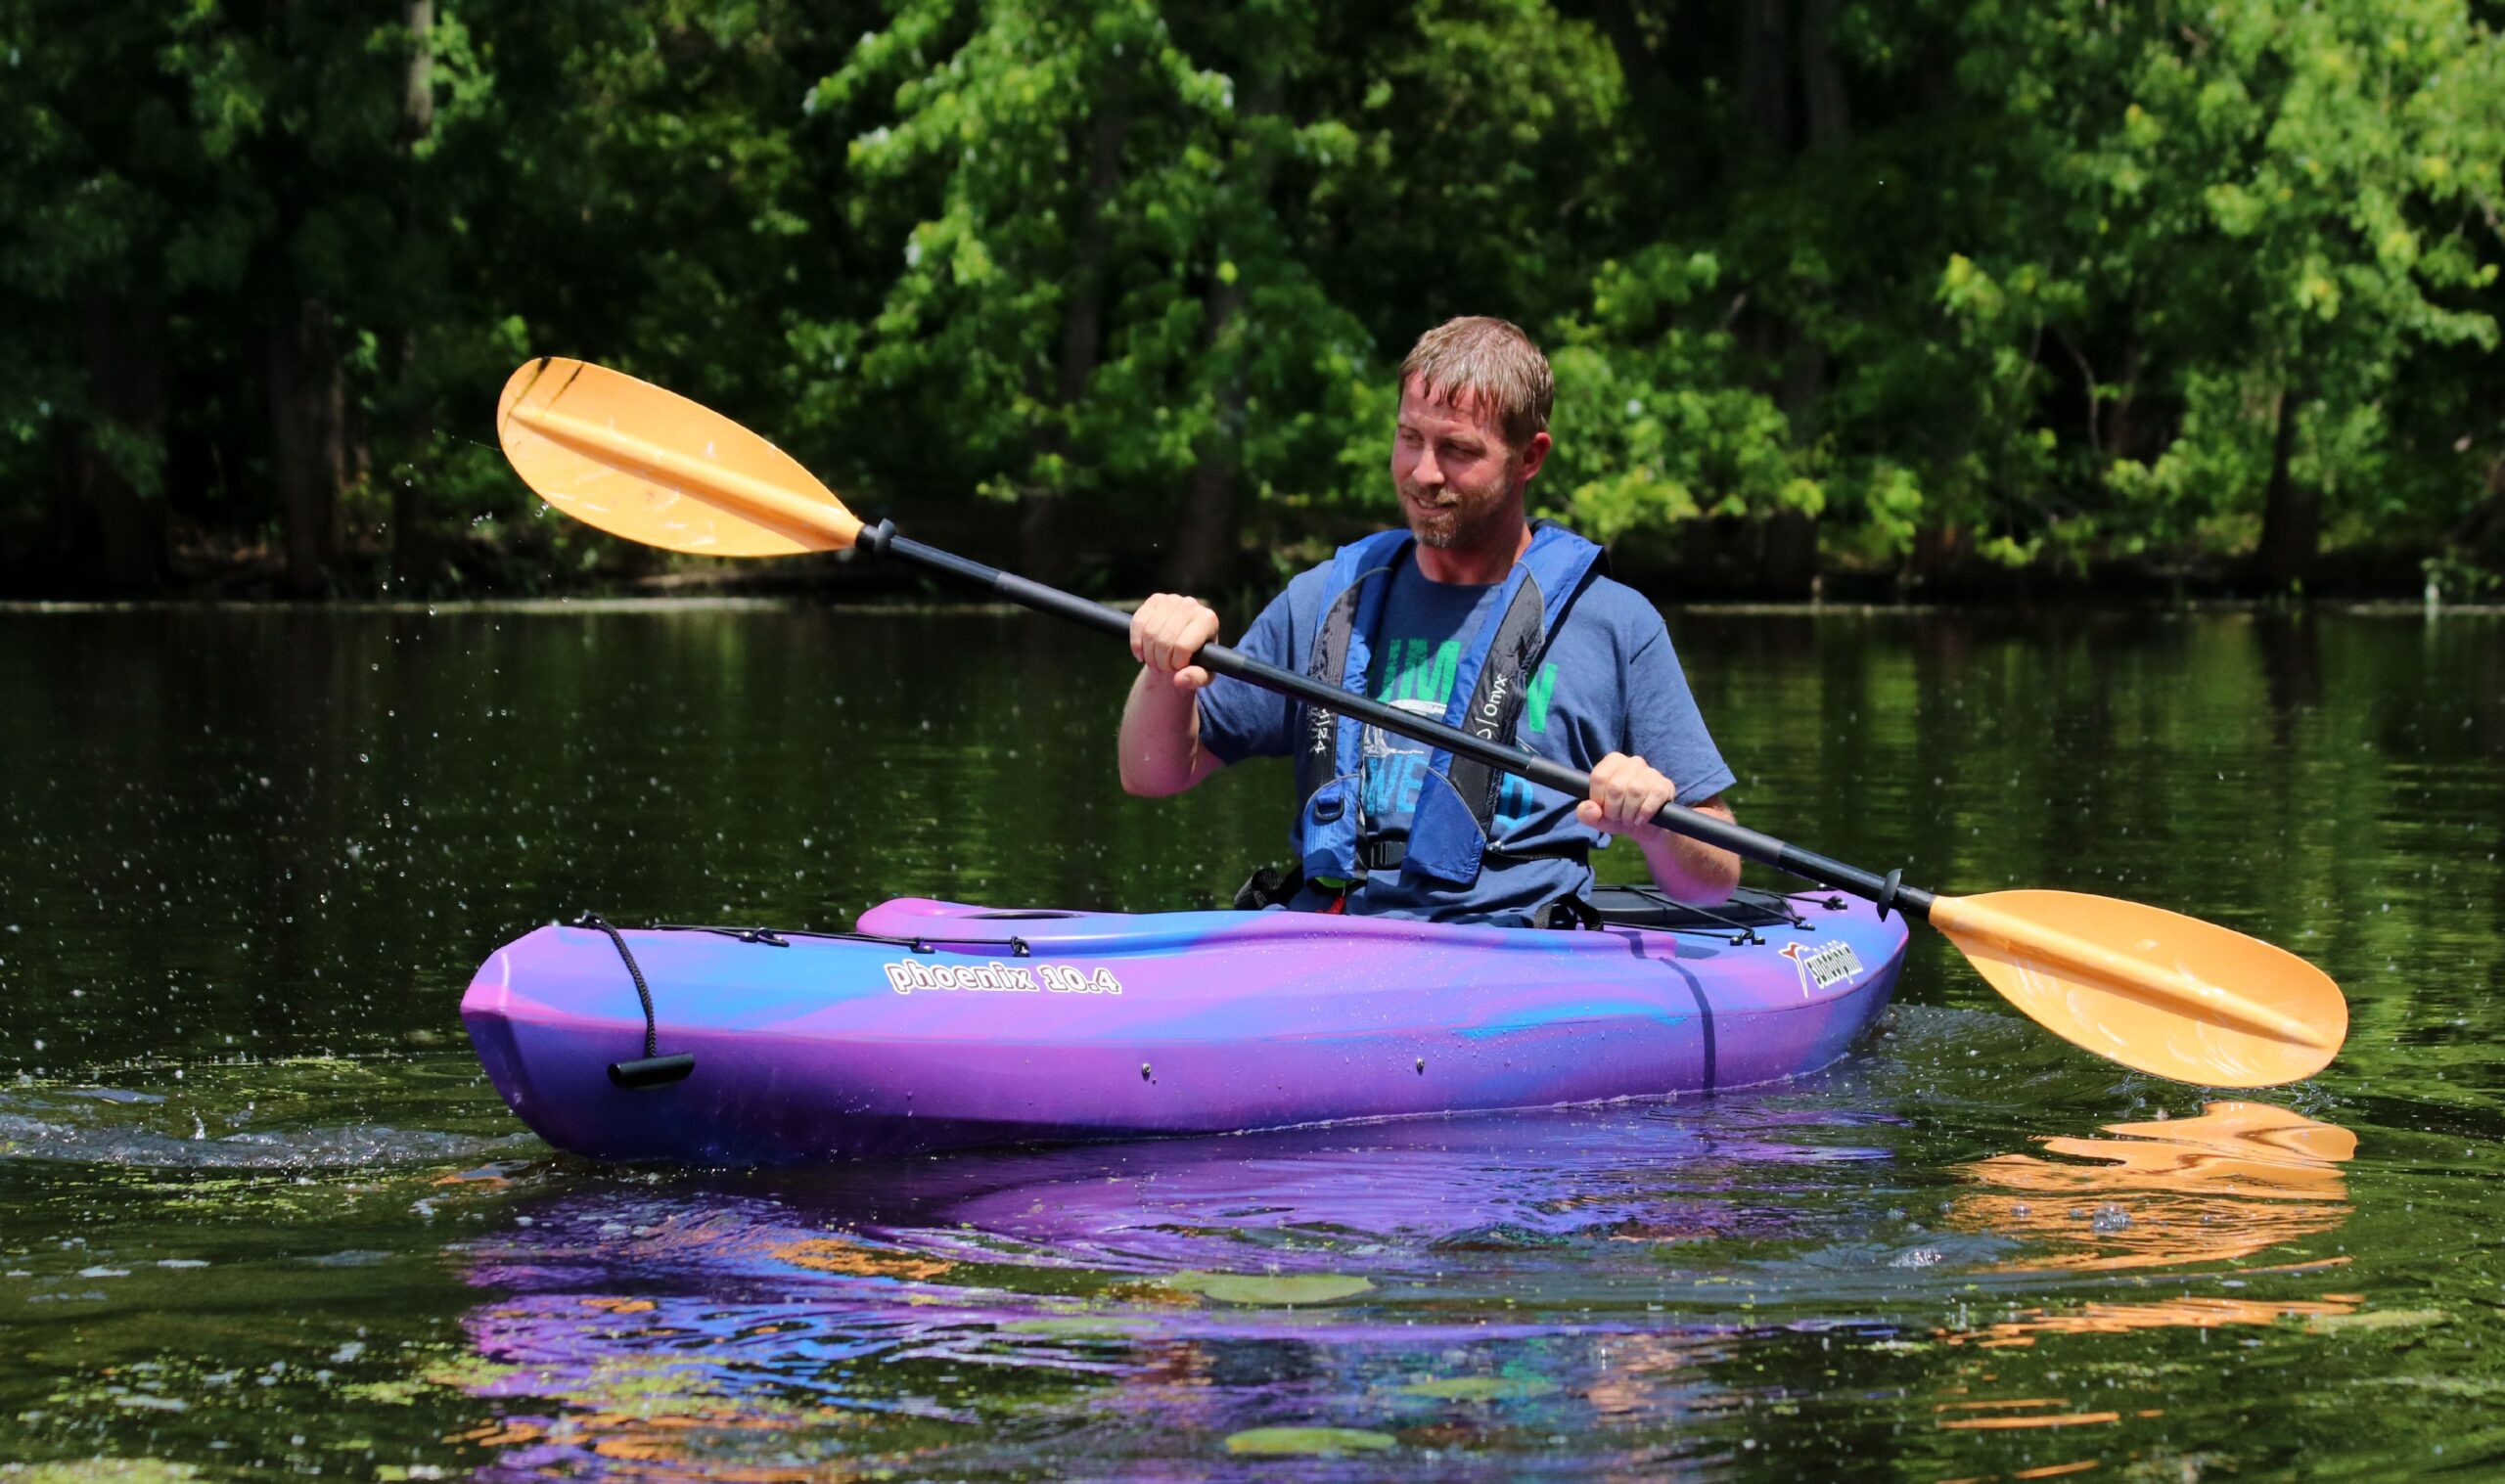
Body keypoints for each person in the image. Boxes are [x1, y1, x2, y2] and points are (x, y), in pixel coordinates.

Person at [1119, 316, 1741, 924]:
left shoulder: (1614, 624)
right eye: (1409, 437)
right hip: (1336, 938)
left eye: (1458, 449)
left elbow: (1716, 879)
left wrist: (1656, 825)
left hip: (1520, 952)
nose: (1424, 473)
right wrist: (1162, 666)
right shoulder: (1325, 602)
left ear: (1529, 457)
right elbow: (1152, 774)